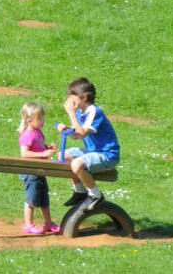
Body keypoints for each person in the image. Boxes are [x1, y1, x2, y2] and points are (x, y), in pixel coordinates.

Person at [59, 77, 120, 208]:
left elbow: (81, 133)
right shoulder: (82, 112)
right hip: (93, 151)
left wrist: (71, 113)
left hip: (107, 154)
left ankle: (95, 195)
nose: (70, 100)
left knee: (76, 163)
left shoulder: (95, 111)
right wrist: (66, 130)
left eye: (73, 97)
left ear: (84, 98)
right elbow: (77, 136)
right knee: (63, 156)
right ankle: (80, 191)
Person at [17, 102, 61, 234]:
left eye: (43, 118)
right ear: (29, 120)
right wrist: (42, 154)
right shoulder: (28, 134)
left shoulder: (38, 133)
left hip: (39, 170)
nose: (43, 121)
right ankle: (28, 224)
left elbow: (37, 148)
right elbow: (24, 153)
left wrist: (46, 148)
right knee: (31, 198)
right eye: (40, 118)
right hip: (30, 171)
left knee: (43, 198)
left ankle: (48, 223)